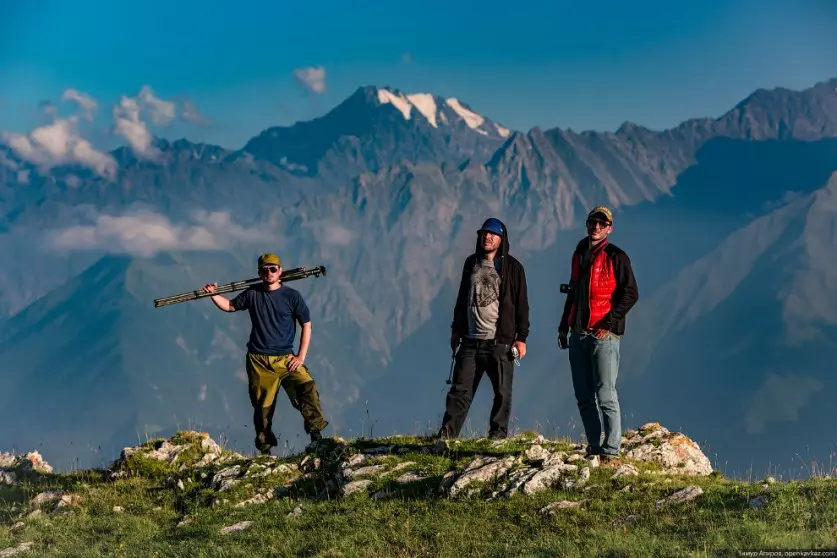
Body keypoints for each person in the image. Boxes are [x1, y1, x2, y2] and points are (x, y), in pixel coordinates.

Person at [202, 253, 329, 454]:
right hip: (258, 360)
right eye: (264, 269)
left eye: (273, 269)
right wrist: (213, 294)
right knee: (263, 409)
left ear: (280, 271)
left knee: (307, 387)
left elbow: (307, 324)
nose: (269, 272)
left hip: (287, 359)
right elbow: (230, 306)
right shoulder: (252, 294)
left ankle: (316, 434)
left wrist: (300, 357)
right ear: (259, 273)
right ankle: (265, 450)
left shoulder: (292, 296)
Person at [557, 206, 638, 465]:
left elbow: (631, 293)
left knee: (605, 394)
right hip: (578, 333)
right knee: (583, 395)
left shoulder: (617, 257)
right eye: (593, 222)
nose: (596, 227)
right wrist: (563, 326)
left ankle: (612, 450)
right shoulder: (579, 254)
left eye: (602, 224)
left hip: (604, 336)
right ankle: (594, 447)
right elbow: (573, 292)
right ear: (587, 224)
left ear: (609, 229)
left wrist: (609, 324)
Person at [438, 217, 530, 439]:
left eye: (493, 234)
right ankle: (447, 437)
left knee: (502, 392)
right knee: (460, 391)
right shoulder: (471, 263)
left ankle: (497, 436)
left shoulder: (513, 268)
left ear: (501, 238)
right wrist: (456, 329)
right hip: (470, 341)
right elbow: (462, 298)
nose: (487, 237)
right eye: (484, 233)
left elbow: (522, 305)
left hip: (500, 343)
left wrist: (521, 337)